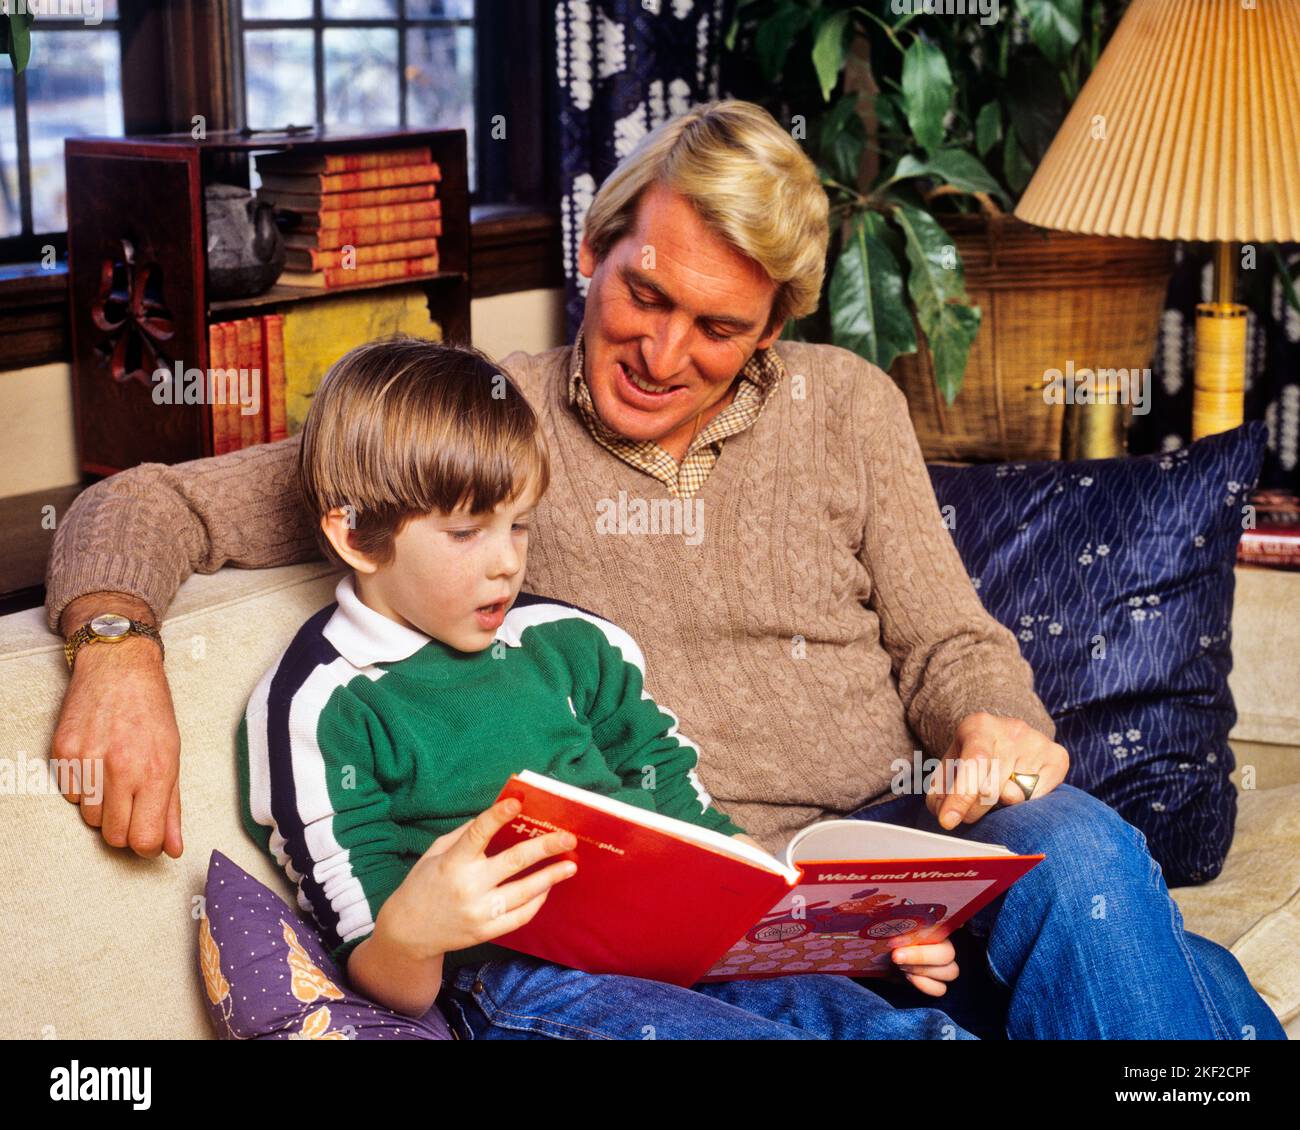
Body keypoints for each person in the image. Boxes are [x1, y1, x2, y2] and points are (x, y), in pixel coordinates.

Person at [46, 99, 1282, 1039]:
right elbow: (147, 502)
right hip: (693, 907)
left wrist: (993, 720)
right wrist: (114, 645)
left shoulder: (847, 405)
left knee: (1089, 852)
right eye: (645, 293)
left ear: (773, 329)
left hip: (882, 844)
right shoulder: (476, 429)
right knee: (1188, 989)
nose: (663, 350)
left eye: (718, 327)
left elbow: (948, 637)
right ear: (595, 244)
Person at [242, 334, 973, 1039]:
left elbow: (694, 819)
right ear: (355, 534)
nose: (505, 564)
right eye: (467, 533)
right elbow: (375, 967)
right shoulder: (323, 705)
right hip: (517, 980)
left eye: (520, 526)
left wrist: (839, 933)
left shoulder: (572, 642)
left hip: (681, 938)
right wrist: (417, 929)